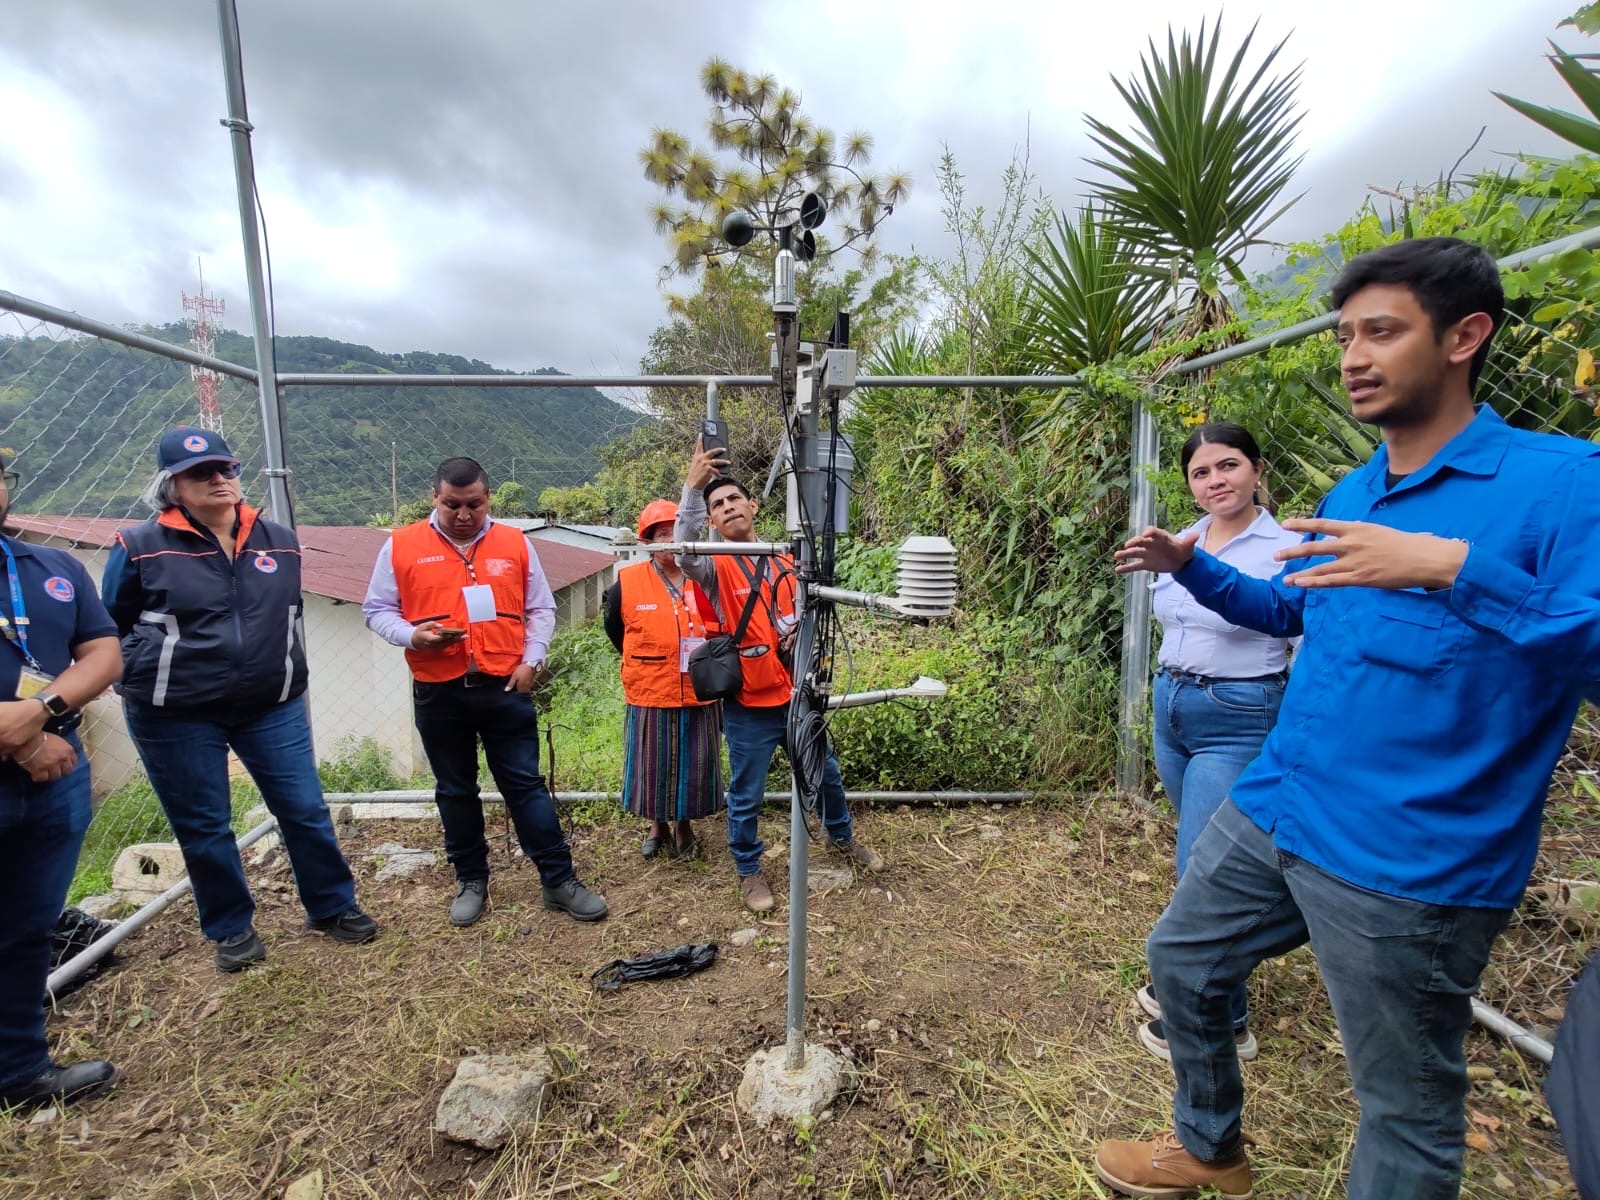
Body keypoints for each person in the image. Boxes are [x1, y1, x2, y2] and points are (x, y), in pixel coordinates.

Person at [1094, 235, 1600, 1200]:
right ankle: (1210, 1146)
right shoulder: (1355, 491)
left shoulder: (1566, 485)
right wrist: (1192, 566)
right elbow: (1298, 612)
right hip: (1284, 802)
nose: (1353, 357)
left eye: (1381, 331)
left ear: (1466, 335)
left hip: (1410, 861)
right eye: (1344, 335)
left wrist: (1454, 568)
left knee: (1403, 1112)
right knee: (1182, 959)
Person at [102, 428, 378, 973]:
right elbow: (109, 623)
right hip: (174, 712)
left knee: (303, 809)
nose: (219, 480)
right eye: (201, 473)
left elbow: (286, 611)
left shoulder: (277, 538)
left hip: (271, 704)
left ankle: (330, 906)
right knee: (205, 825)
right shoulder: (140, 545)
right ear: (171, 485)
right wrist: (147, 665)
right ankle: (230, 928)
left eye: (225, 469)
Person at [363, 456, 607, 926]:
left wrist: (532, 660)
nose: (463, 514)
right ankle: (471, 880)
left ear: (487, 498)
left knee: (525, 785)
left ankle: (558, 881)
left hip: (505, 686)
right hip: (439, 690)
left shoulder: (513, 542)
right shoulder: (401, 545)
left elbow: (540, 609)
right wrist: (414, 636)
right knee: (455, 789)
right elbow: (377, 610)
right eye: (452, 504)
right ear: (434, 498)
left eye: (473, 504)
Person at [1135, 422, 1301, 1065]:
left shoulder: (1285, 546)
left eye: (1228, 466)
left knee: (1206, 869)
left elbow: (1291, 631)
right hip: (1174, 705)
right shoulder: (1188, 538)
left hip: (1239, 711)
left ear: (1259, 468)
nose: (1215, 482)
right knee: (1199, 853)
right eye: (1201, 473)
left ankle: (1224, 1017)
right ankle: (1192, 978)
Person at [675, 439, 883, 915]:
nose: (727, 508)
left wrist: (796, 638)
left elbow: (806, 612)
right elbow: (684, 553)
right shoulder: (713, 563)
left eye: (733, 500)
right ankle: (749, 870)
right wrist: (692, 487)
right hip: (749, 703)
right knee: (745, 793)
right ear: (711, 520)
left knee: (825, 773)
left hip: (797, 695)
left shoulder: (791, 558)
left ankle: (843, 838)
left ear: (753, 506)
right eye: (717, 505)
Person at [0, 453, 124, 1108]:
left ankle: (19, 1072)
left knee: (27, 926)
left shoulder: (50, 568)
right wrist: (20, 739)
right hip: (37, 757)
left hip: (55, 773)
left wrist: (38, 712)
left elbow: (101, 651)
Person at [602, 499, 724, 859]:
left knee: (694, 760)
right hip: (650, 687)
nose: (670, 540)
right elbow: (615, 630)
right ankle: (657, 825)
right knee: (651, 762)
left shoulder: (705, 576)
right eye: (661, 534)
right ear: (648, 542)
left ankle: (684, 826)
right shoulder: (627, 582)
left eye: (675, 532)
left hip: (699, 685)